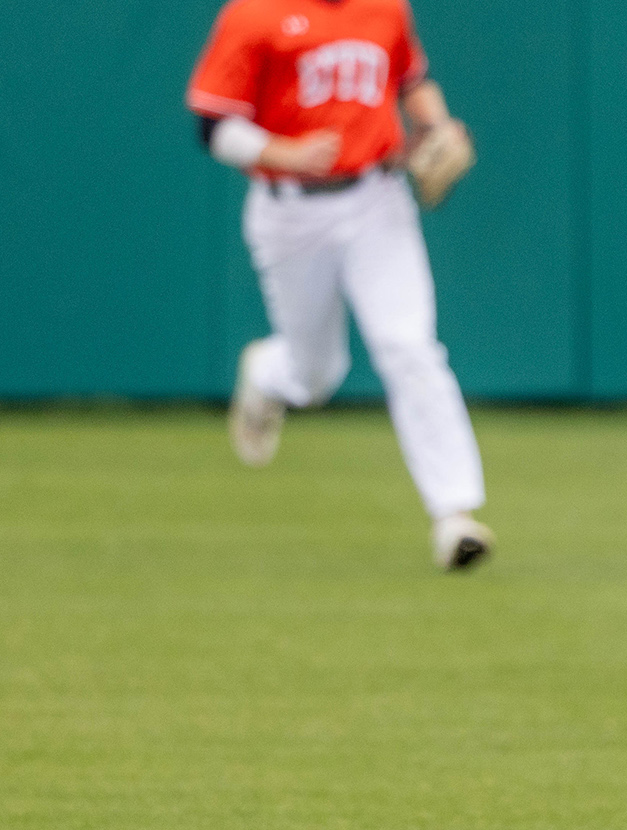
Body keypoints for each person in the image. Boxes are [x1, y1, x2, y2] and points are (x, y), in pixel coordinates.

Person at [187, 0, 493, 570]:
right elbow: (212, 124)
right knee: (315, 375)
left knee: (409, 347)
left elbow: (412, 79)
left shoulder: (384, 7)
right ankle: (268, 373)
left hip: (377, 198)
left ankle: (454, 515)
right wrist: (282, 152)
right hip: (289, 210)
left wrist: (437, 124)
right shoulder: (254, 14)